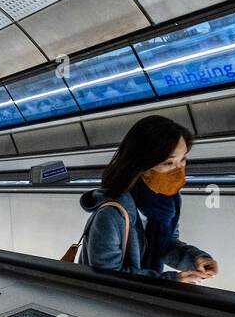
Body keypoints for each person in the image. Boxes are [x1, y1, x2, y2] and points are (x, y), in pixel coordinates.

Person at [77, 115, 218, 283]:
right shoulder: (112, 213)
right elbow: (107, 275)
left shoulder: (169, 202)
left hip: (142, 294)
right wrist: (169, 280)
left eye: (183, 160)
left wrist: (196, 259)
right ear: (143, 166)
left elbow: (166, 245)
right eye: (169, 163)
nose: (179, 170)